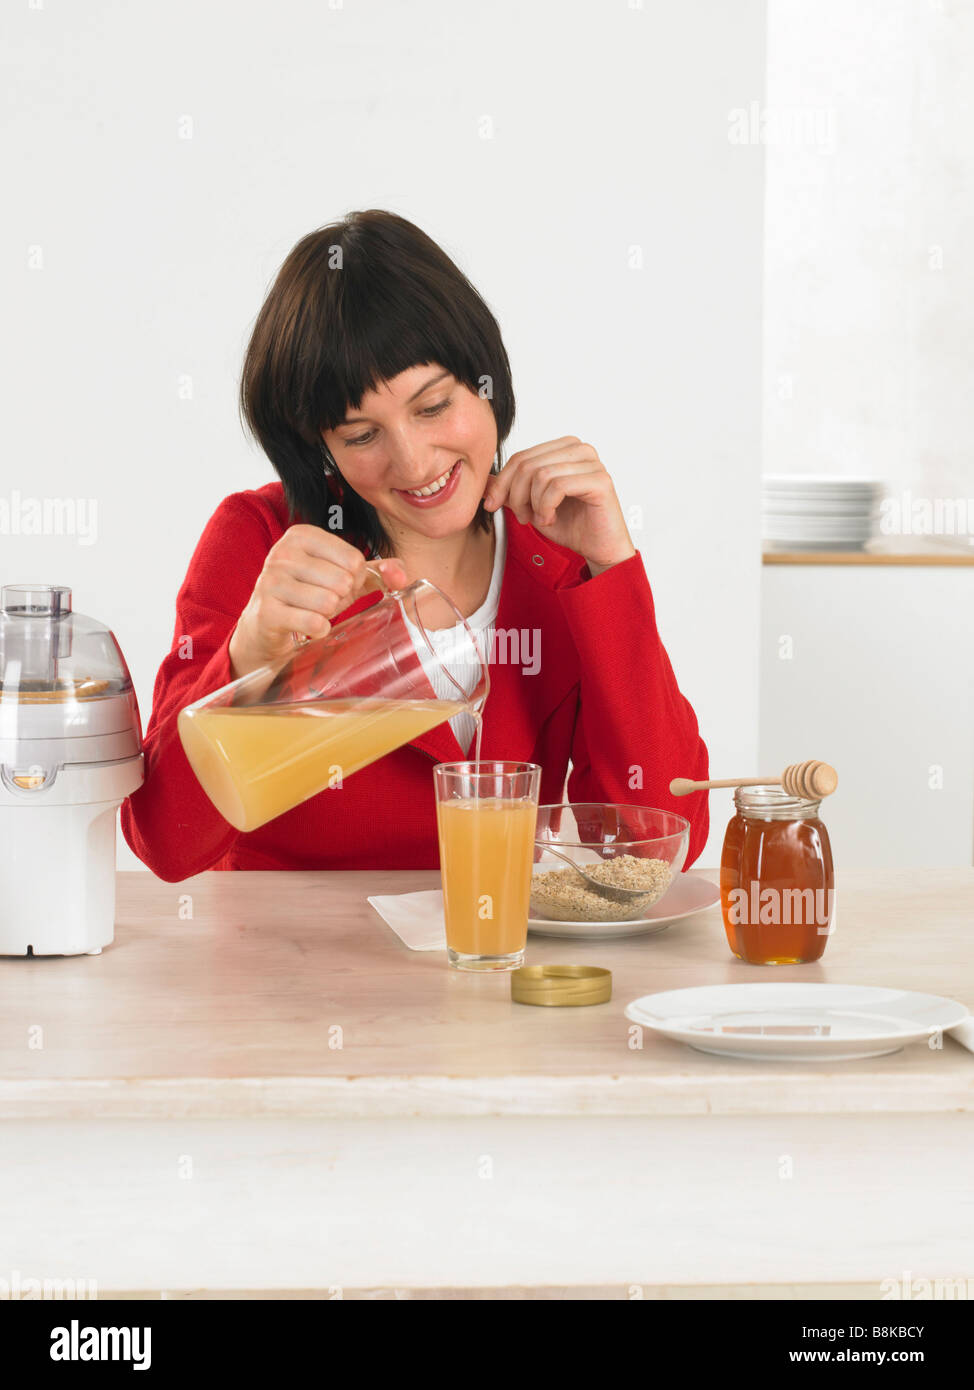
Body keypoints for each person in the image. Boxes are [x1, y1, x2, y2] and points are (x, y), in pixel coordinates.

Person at [121, 209, 709, 880]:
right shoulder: (260, 542)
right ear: (320, 450)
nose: (412, 460)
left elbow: (662, 845)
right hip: (290, 970)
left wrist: (612, 572)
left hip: (487, 961)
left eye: (432, 407)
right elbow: (164, 843)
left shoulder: (558, 557)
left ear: (485, 380)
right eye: (360, 435)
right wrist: (246, 659)